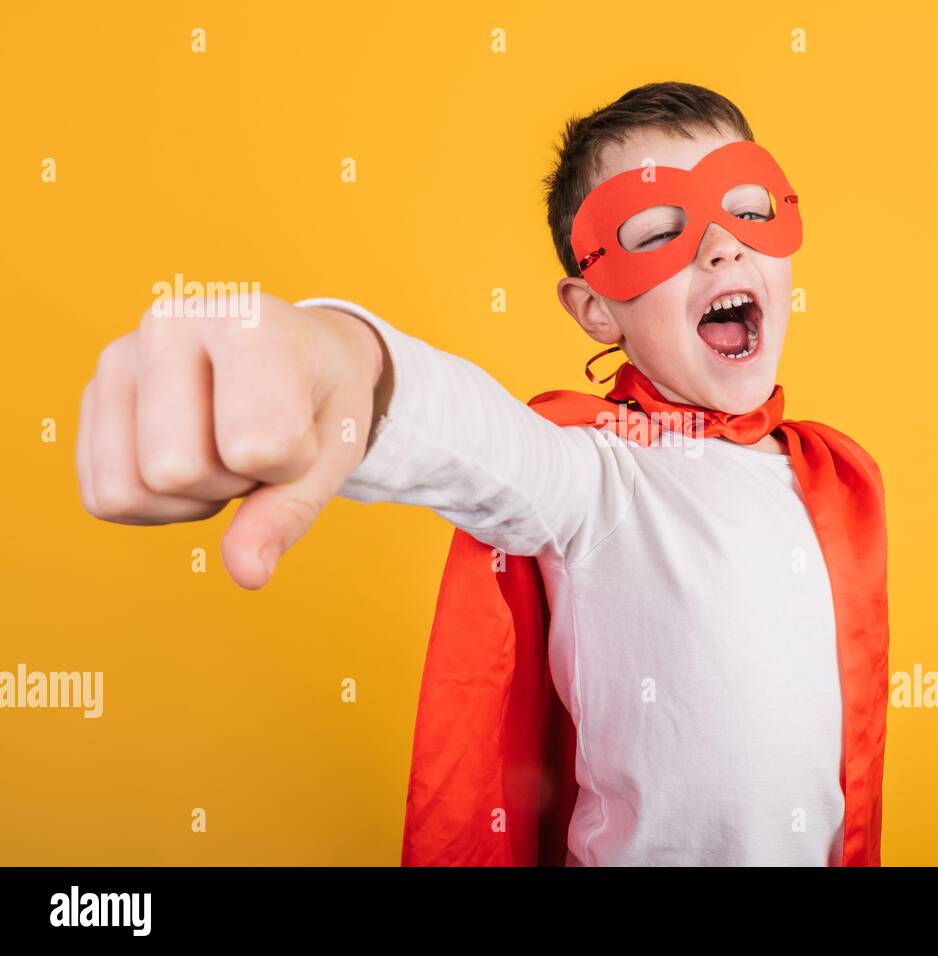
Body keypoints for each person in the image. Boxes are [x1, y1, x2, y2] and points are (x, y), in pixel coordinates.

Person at [75, 81, 889, 866]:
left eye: (748, 209)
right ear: (596, 310)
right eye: (654, 232)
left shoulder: (832, 480)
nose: (722, 244)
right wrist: (355, 360)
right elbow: (481, 441)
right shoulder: (597, 478)